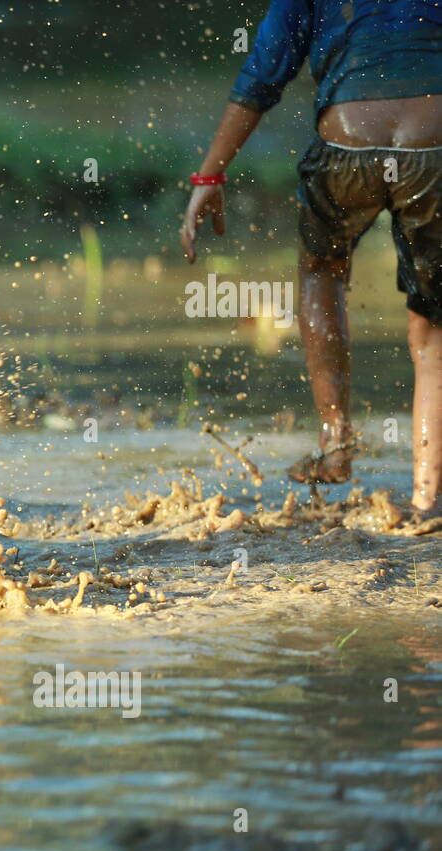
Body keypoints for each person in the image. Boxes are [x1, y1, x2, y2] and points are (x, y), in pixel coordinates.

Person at [180, 0, 442, 519]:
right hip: (434, 144)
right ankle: (427, 498)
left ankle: (335, 443)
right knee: (433, 325)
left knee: (321, 272)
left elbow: (262, 74)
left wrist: (209, 177)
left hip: (347, 140)